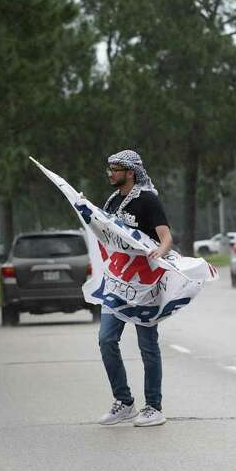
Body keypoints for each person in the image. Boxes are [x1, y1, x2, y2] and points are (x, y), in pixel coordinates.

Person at [96, 149, 172, 428]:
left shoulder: (148, 199)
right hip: (117, 283)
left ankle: (153, 406)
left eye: (115, 169)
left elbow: (165, 237)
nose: (110, 174)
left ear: (130, 172)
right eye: (109, 169)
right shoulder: (112, 201)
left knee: (147, 345)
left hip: (144, 285)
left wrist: (160, 253)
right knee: (106, 339)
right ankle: (124, 402)